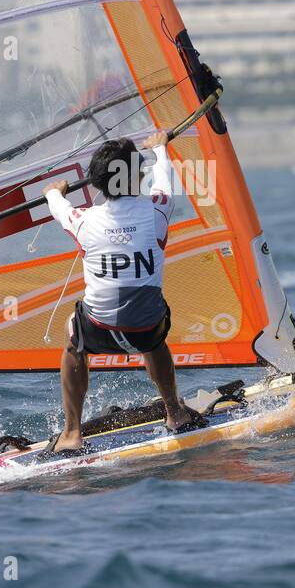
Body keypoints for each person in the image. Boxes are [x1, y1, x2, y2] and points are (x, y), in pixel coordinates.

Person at [42, 131, 203, 455]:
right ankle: (175, 412)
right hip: (147, 331)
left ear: (98, 185)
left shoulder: (82, 220)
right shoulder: (158, 209)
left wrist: (54, 192)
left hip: (97, 331)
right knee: (155, 330)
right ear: (136, 176)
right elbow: (164, 177)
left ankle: (72, 433)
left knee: (72, 334)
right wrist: (158, 147)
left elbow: (56, 203)